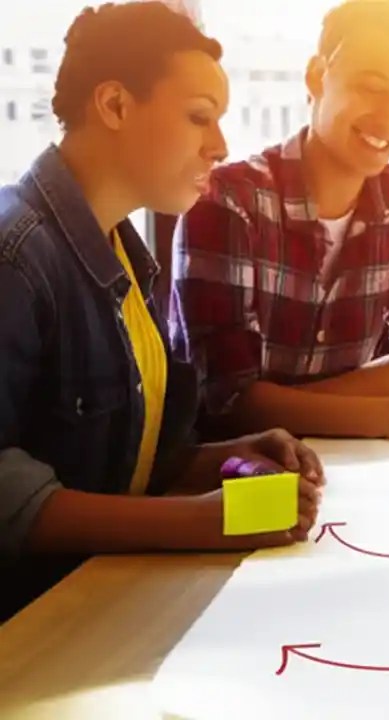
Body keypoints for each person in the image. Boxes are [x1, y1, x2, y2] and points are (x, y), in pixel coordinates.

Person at [0, 2, 324, 623]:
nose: (221, 145)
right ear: (116, 105)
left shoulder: (124, 254)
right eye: (200, 116)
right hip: (33, 637)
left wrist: (227, 455)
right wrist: (197, 522)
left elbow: (123, 459)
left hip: (109, 603)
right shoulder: (17, 258)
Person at [168, 0, 389, 442]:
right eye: (372, 87)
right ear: (317, 77)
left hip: (355, 465)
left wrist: (287, 406)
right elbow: (226, 401)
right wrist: (386, 415)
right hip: (234, 475)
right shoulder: (228, 202)